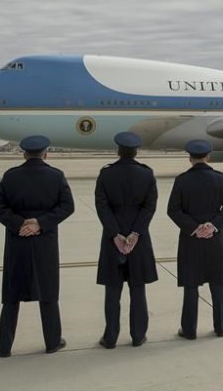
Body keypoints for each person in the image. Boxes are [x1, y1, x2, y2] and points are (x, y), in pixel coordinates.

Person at [0, 135, 74, 357]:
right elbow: (67, 207)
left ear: (24, 154)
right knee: (48, 292)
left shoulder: (11, 176)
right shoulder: (56, 176)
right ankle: (52, 341)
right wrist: (40, 223)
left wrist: (19, 224)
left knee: (12, 294)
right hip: (45, 241)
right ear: (46, 153)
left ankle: (4, 346)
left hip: (17, 241)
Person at [167, 139, 223, 340]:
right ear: (208, 156)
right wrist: (213, 225)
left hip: (190, 240)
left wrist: (194, 228)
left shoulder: (182, 180)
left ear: (190, 158)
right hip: (214, 239)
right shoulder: (219, 179)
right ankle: (220, 326)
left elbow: (173, 210)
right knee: (217, 283)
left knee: (191, 284)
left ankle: (189, 329)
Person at [94, 132, 158, 348]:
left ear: (118, 151)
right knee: (137, 288)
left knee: (112, 290)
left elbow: (102, 207)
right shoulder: (146, 174)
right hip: (138, 239)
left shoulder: (106, 174)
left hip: (112, 239)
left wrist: (115, 234)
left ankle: (110, 337)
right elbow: (149, 207)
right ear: (136, 152)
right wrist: (135, 233)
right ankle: (138, 335)